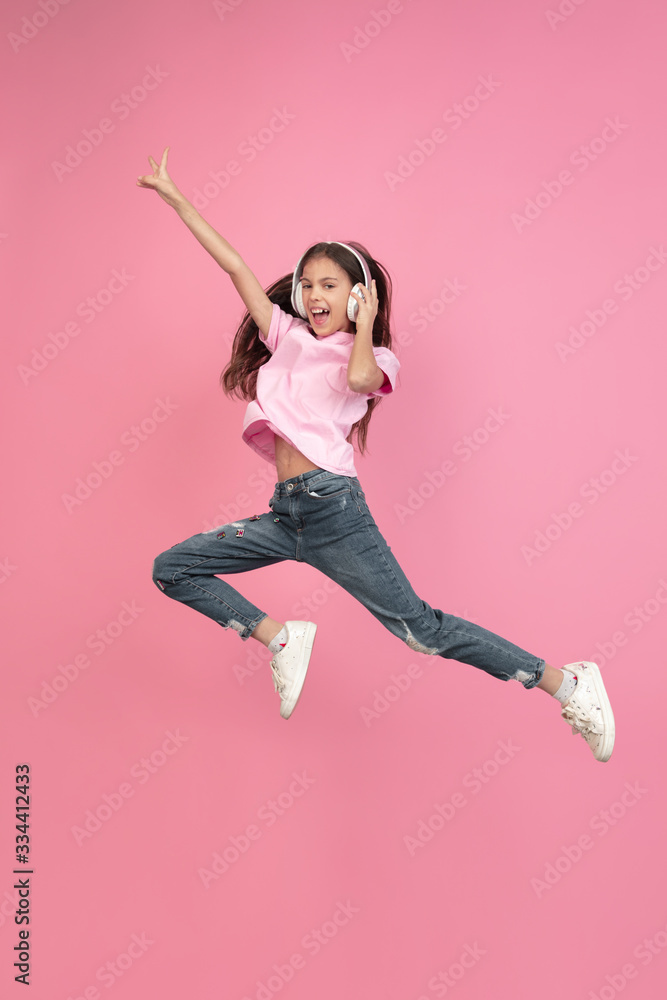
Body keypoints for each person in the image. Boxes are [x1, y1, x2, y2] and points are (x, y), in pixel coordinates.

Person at [137, 147, 615, 762]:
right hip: (286, 516)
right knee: (172, 568)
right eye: (307, 284)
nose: (312, 295)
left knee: (421, 631)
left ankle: (567, 683)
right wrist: (177, 198)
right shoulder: (284, 336)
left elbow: (360, 379)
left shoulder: (375, 358)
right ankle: (279, 639)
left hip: (333, 513)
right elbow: (235, 268)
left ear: (357, 295)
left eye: (328, 286)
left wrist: (362, 326)